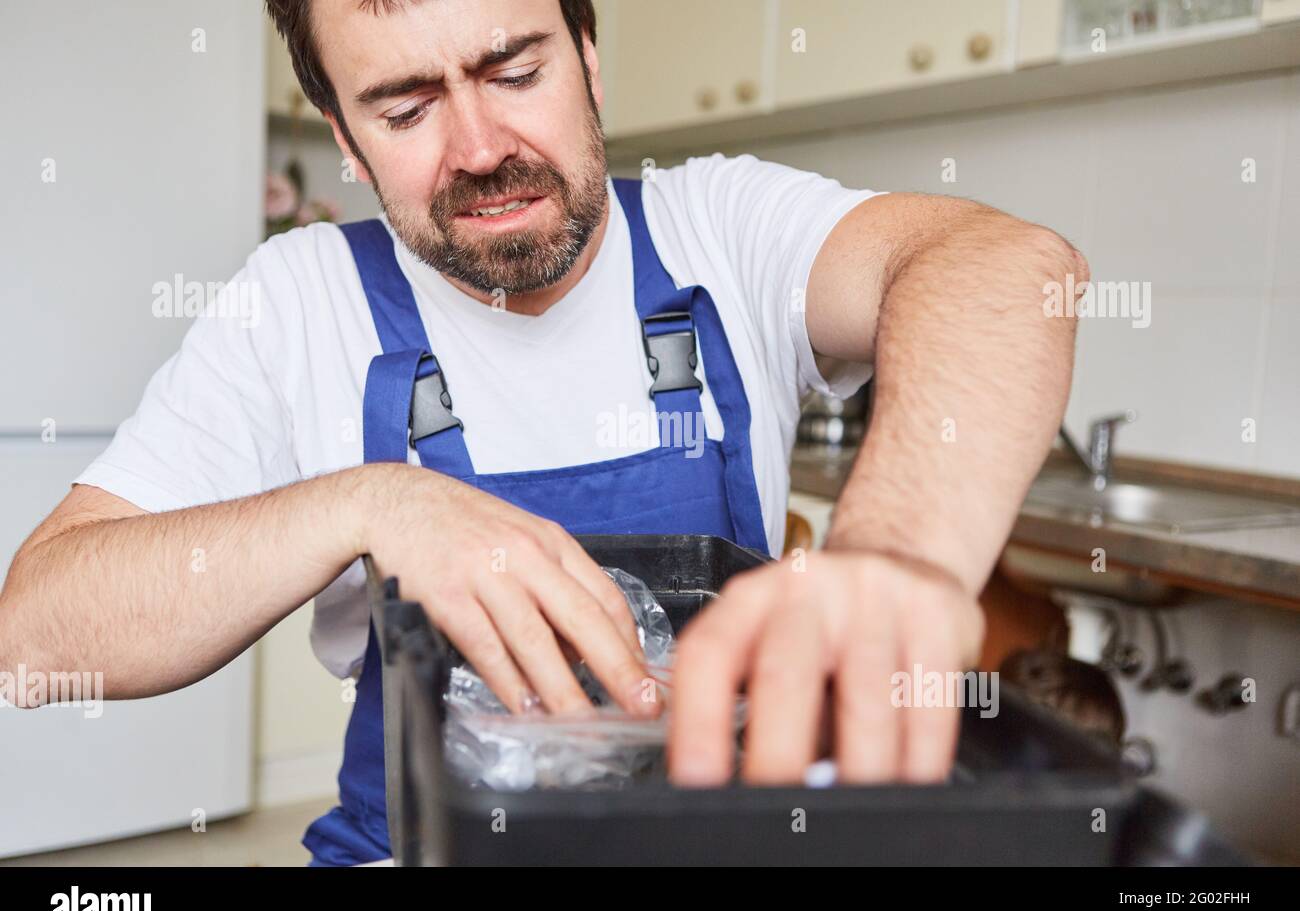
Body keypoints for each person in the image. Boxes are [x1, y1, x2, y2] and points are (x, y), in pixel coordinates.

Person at [0, 0, 1087, 865]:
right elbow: (36, 635)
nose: (479, 147)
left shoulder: (720, 228)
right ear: (343, 137)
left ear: (588, 54)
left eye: (515, 70)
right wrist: (368, 501)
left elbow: (1007, 266)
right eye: (405, 107)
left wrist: (897, 555)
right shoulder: (300, 300)